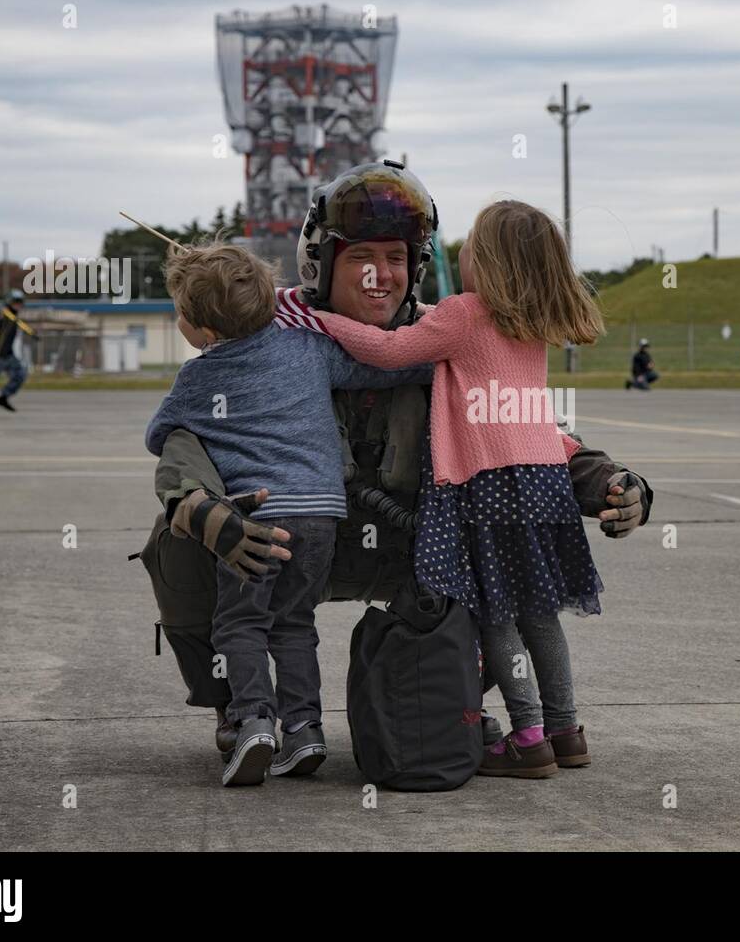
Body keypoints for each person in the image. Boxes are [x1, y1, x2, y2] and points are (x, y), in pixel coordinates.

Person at [142, 161, 655, 764]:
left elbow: (530, 434)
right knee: (179, 544)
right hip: (282, 538)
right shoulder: (265, 342)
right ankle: (242, 704)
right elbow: (184, 437)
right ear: (323, 261)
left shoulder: (441, 337)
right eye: (363, 255)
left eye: (396, 258)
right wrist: (198, 505)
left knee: (491, 545)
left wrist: (612, 483)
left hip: (412, 549)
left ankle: (456, 699)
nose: (381, 275)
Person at [302, 199, 605, 779]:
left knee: (497, 617)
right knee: (541, 615)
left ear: (487, 262)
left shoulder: (465, 314)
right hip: (542, 483)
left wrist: (320, 319)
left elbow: (389, 349)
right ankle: (567, 731)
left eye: (471, 248)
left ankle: (528, 735)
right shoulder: (531, 324)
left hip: (488, 484)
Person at [144, 242, 429, 787]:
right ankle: (305, 731)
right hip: (322, 516)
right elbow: (379, 371)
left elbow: (160, 435)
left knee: (241, 623)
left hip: (254, 519)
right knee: (296, 624)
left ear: (201, 329)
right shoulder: (307, 349)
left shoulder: (196, 379)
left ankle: (253, 721)